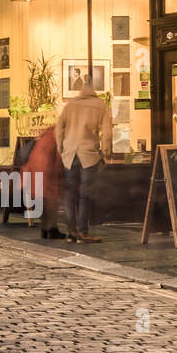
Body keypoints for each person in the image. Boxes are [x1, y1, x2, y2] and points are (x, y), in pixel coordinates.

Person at [55, 85, 112, 243]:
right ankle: (83, 233)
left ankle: (71, 232)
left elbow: (59, 128)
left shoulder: (70, 105)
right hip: (88, 155)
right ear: (94, 92)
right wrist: (106, 152)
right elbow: (107, 131)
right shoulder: (99, 105)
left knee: (70, 194)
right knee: (85, 194)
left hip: (70, 155)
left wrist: (61, 147)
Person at [21, 126, 65, 239]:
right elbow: (58, 159)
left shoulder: (43, 137)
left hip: (35, 173)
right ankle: (52, 229)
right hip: (47, 173)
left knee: (43, 203)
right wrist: (60, 175)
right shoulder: (55, 138)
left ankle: (44, 228)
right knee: (51, 203)